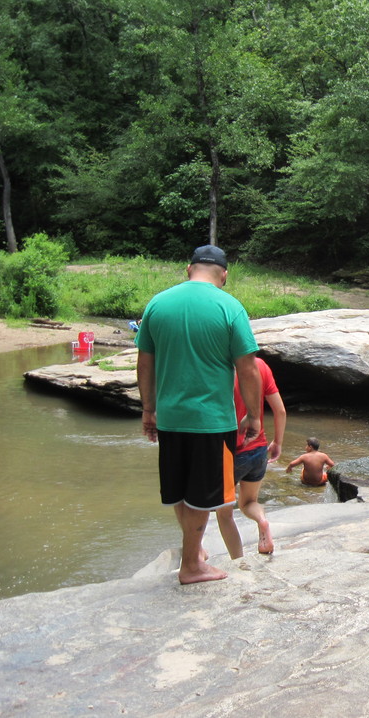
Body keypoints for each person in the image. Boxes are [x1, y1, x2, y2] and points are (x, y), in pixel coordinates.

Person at [136, 244, 262, 585]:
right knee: (205, 494)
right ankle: (191, 564)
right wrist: (254, 415)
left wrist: (148, 409)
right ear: (224, 274)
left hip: (171, 417)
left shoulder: (158, 304)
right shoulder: (230, 306)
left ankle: (194, 551)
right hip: (211, 420)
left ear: (188, 269)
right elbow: (247, 368)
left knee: (179, 489)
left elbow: (145, 362)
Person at [215, 357, 286, 559]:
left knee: (224, 513)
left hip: (229, 451)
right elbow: (280, 410)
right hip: (258, 450)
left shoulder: (220, 365)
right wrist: (277, 442)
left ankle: (238, 562)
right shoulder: (261, 366)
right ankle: (262, 521)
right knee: (248, 502)